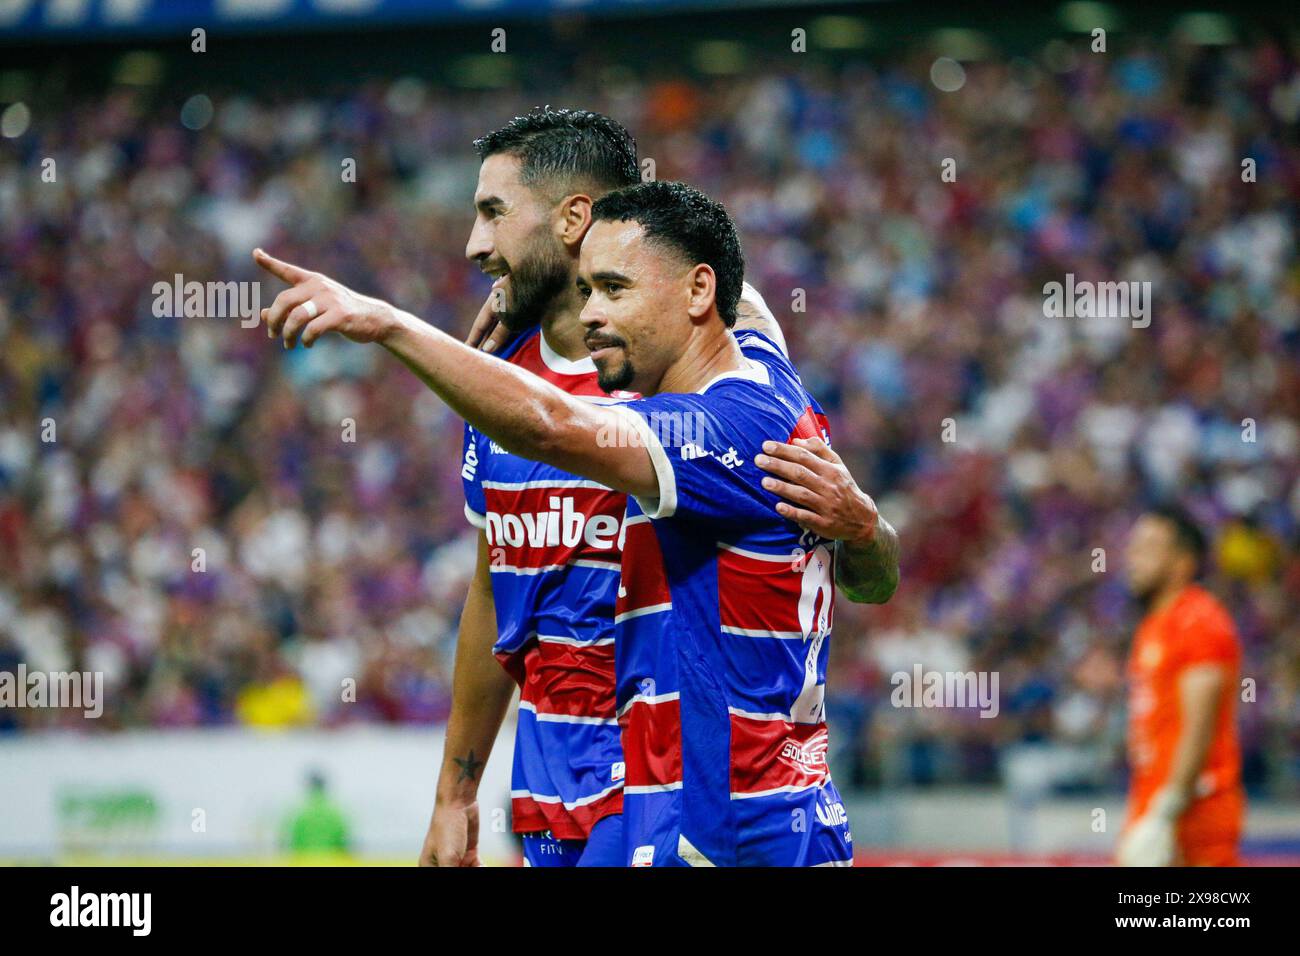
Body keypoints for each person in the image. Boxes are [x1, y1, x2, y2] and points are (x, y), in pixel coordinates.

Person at [254, 177, 899, 865]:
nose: (591, 313)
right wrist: (867, 530)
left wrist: (385, 322)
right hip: (766, 814)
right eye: (587, 289)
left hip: (734, 832)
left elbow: (552, 425)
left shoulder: (716, 430)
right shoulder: (768, 372)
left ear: (698, 294)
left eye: (615, 289)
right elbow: (875, 580)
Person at [1117, 506, 1245, 867]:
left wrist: (1167, 809)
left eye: (1148, 549)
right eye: (1134, 547)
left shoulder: (1200, 622)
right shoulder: (1154, 624)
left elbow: (1198, 727)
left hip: (1194, 809)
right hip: (1154, 797)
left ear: (1182, 563)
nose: (1134, 558)